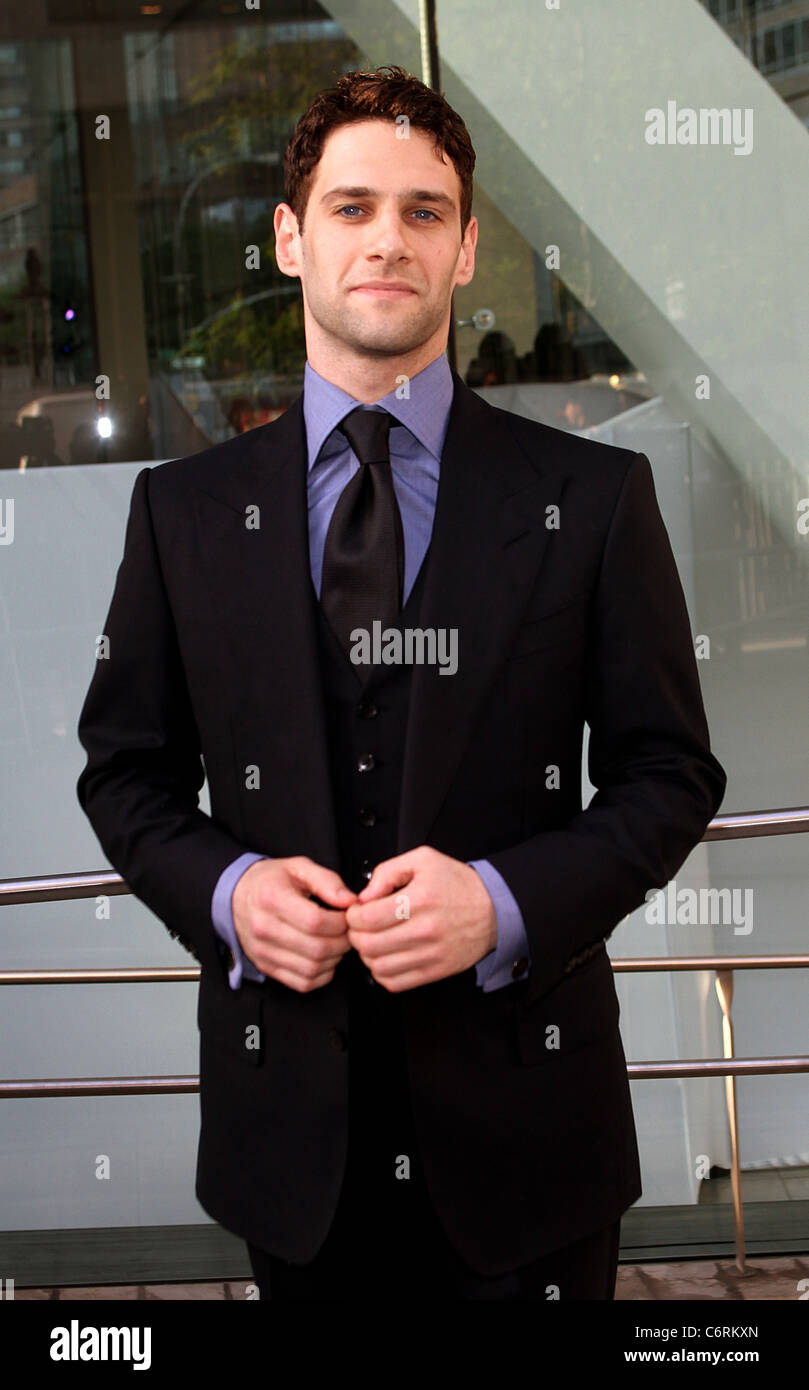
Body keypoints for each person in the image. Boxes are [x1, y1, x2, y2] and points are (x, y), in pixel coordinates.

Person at [76, 65, 727, 1301]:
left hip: (534, 1142)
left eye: (424, 212)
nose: (388, 239)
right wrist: (227, 893)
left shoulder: (589, 501)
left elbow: (670, 772)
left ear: (467, 246)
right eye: (351, 206)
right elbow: (124, 771)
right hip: (293, 1151)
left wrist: (504, 903)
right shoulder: (182, 513)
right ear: (290, 238)